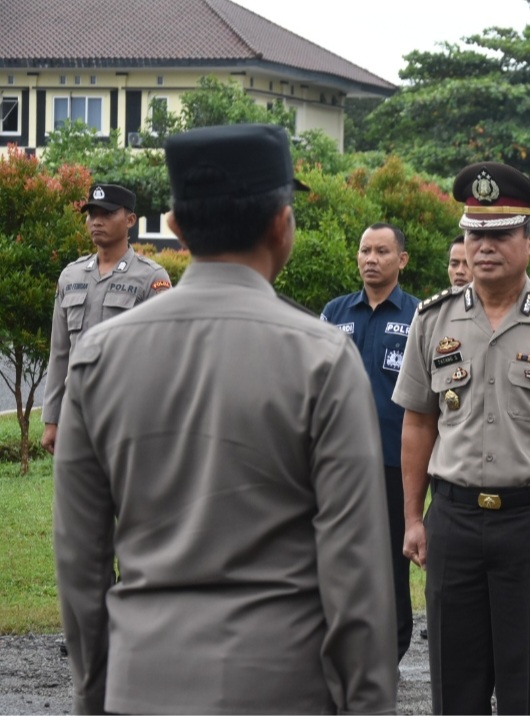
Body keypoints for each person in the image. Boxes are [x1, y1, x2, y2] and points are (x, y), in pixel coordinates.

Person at [52, 123, 398, 715]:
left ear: (177, 227)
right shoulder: (322, 358)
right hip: (282, 687)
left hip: (144, 682)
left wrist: (96, 693)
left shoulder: (99, 357)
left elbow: (80, 558)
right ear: (282, 225)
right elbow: (356, 568)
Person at [392, 161, 530, 715]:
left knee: (528, 689)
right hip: (454, 521)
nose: (485, 246)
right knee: (454, 686)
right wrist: (414, 518)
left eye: (500, 234)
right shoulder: (433, 319)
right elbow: (418, 423)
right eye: (475, 234)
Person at [321, 222, 419, 662]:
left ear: (402, 260)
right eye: (365, 251)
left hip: (396, 460)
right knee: (341, 558)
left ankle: (389, 651)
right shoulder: (335, 312)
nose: (371, 259)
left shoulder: (419, 316)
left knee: (393, 560)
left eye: (382, 251)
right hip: (340, 461)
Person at [41, 183, 171, 455]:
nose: (97, 221)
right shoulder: (71, 276)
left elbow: (164, 358)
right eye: (92, 214)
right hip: (77, 416)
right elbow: (59, 353)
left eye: (107, 213)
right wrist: (52, 420)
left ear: (130, 220)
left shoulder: (151, 278)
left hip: (129, 419)